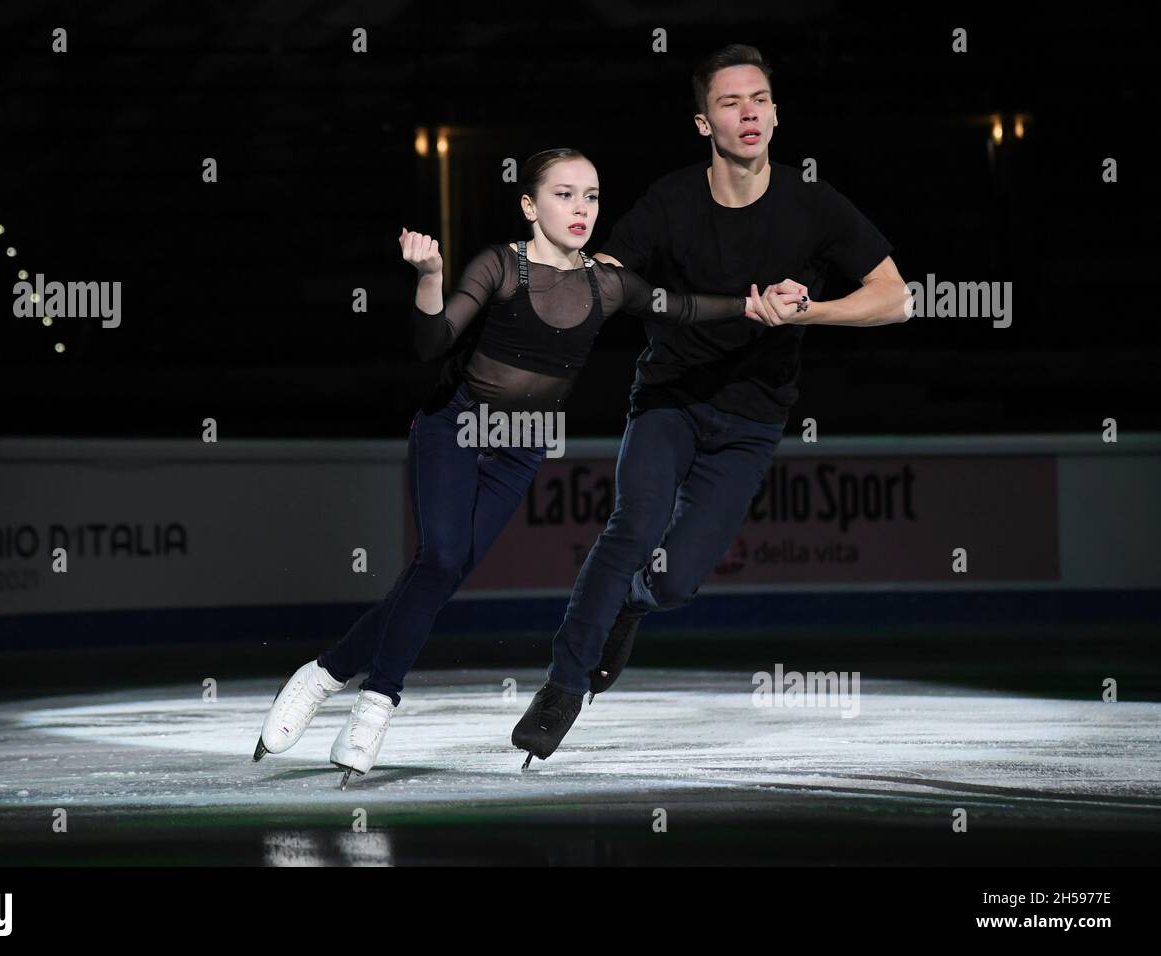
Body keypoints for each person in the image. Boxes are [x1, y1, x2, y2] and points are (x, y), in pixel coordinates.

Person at [252, 147, 808, 786]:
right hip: (455, 425)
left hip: (523, 443)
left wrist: (754, 303)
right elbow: (433, 343)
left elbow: (680, 307)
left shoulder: (608, 283)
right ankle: (375, 702)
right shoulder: (501, 267)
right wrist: (430, 275)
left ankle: (324, 673)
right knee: (438, 559)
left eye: (592, 196)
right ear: (529, 205)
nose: (581, 209)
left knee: (443, 573)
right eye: (565, 194)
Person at [512, 44, 909, 767]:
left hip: (750, 424)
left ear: (777, 113)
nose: (748, 111)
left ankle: (631, 607)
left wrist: (808, 313)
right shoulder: (671, 202)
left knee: (675, 580)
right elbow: (610, 269)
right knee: (633, 527)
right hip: (669, 399)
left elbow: (895, 297)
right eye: (730, 102)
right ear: (704, 123)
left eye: (758, 98)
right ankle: (563, 687)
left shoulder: (813, 204)